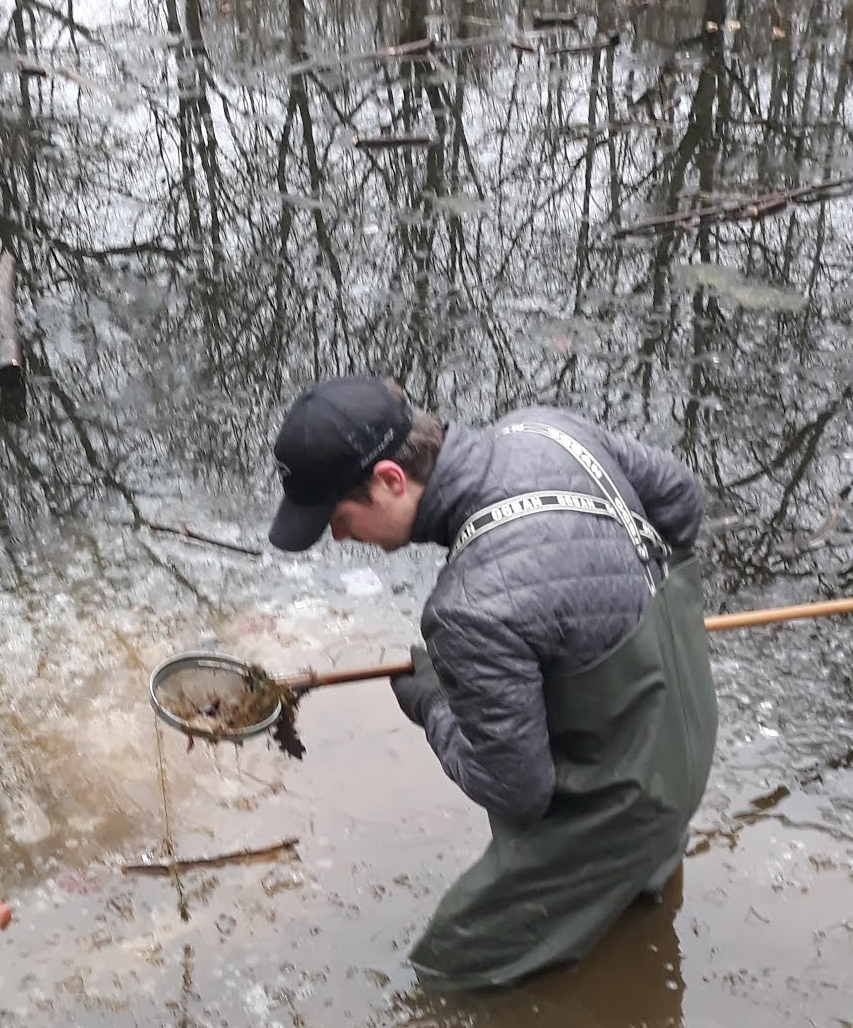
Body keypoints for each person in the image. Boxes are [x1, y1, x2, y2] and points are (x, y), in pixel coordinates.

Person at [267, 375, 717, 989]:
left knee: (451, 968)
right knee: (639, 896)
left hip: (623, 798)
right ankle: (639, 894)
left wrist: (433, 702)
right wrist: (633, 599)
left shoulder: (468, 608)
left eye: (339, 519)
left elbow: (518, 793)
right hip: (688, 738)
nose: (340, 537)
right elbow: (680, 499)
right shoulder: (548, 428)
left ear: (391, 482)